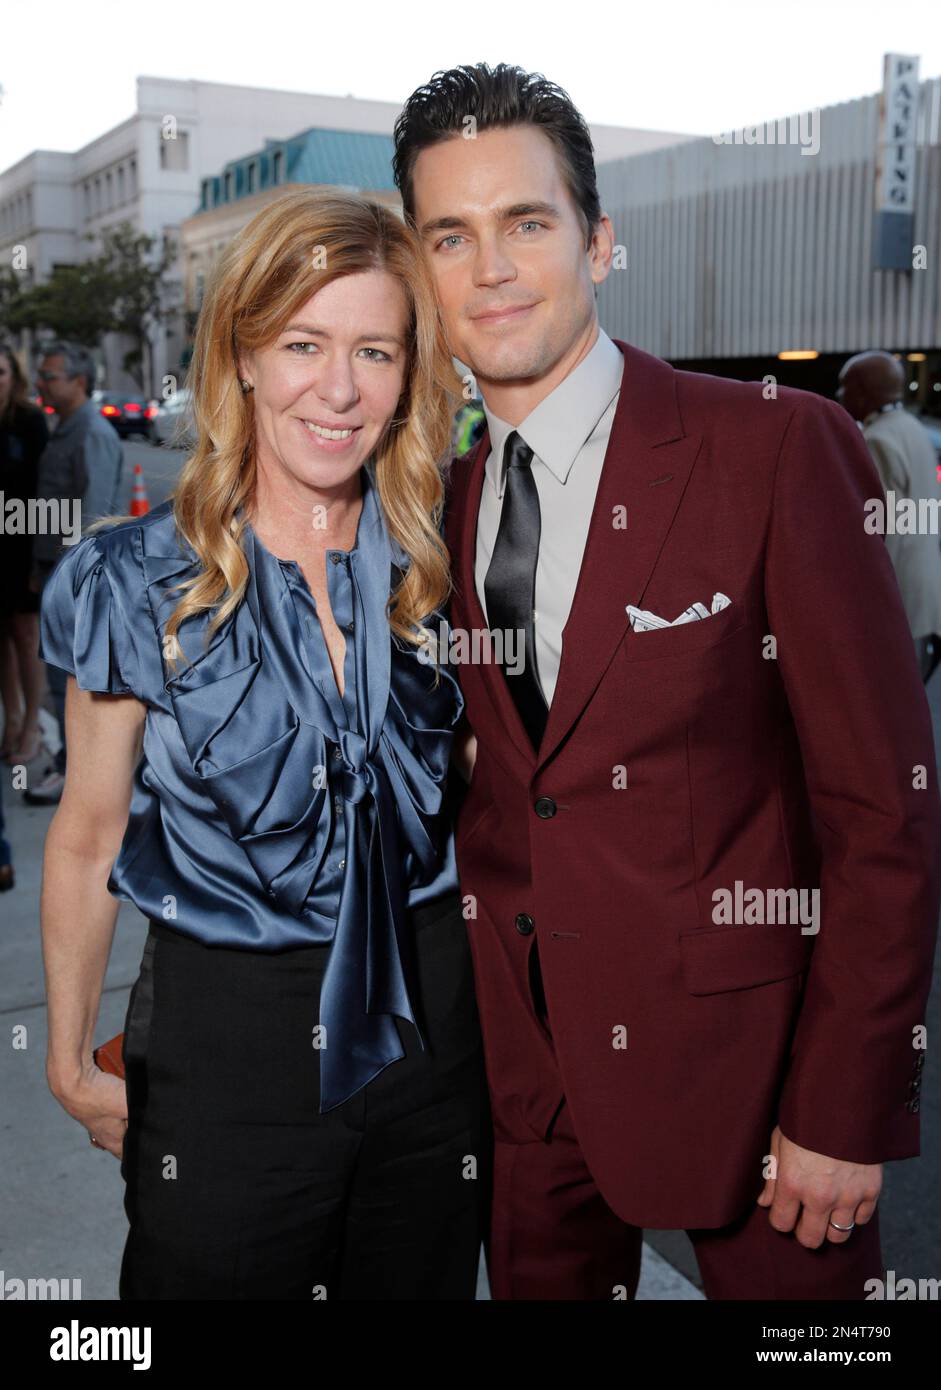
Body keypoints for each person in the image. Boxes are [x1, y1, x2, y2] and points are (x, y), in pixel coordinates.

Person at [392, 61, 941, 1300]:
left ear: (597, 239)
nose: (489, 267)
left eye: (524, 222)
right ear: (420, 270)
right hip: (530, 1094)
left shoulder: (774, 446)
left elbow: (883, 813)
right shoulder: (445, 500)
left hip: (755, 1104)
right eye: (449, 235)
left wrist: (844, 1105)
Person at [39, 189, 491, 1300]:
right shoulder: (132, 577)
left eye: (374, 350)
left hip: (436, 1039)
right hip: (226, 1047)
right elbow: (88, 833)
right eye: (303, 343)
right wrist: (65, 1054)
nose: (338, 389)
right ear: (241, 354)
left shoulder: (451, 567)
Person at [27, 341, 123, 805]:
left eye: (50, 376)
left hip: (75, 582)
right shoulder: (64, 427)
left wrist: (71, 589)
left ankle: (77, 774)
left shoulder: (92, 433)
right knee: (57, 680)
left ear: (78, 381)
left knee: (74, 681)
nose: (41, 383)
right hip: (53, 575)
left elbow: (92, 521)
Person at [837, 350, 941, 683]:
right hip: (924, 589)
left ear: (864, 391)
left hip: (897, 598)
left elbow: (874, 533)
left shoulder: (877, 439)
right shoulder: (912, 427)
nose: (840, 395)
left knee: (891, 707)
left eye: (845, 387)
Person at [0, 342, 50, 765]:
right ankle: (12, 719)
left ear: (13, 377)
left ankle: (33, 724)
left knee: (25, 634)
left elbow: (45, 490)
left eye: (0, 372)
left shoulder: (30, 422)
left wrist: (38, 559)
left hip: (22, 540)